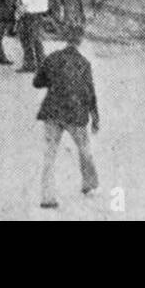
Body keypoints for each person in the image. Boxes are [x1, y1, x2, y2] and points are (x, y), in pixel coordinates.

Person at [35, 24, 99, 209]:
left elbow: (38, 82)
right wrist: (95, 118)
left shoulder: (53, 58)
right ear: (80, 41)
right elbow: (90, 93)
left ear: (65, 39)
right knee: (85, 149)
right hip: (76, 112)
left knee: (49, 155)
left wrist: (53, 81)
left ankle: (48, 198)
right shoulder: (84, 64)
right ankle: (90, 185)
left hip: (53, 112)